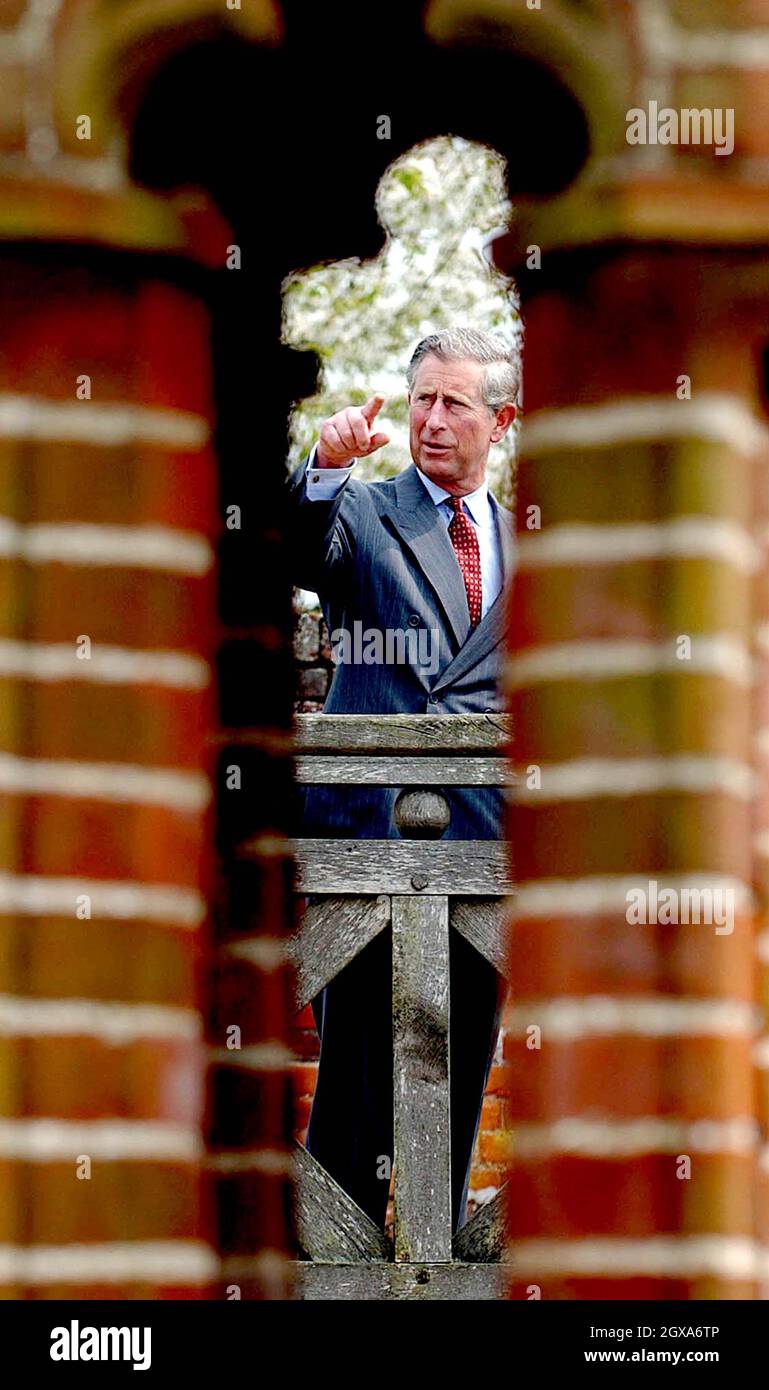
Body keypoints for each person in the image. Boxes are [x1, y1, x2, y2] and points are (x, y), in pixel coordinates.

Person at [286, 326, 518, 1233]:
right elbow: (302, 554)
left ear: (501, 419)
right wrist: (324, 466)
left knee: (455, 1102)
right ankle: (332, 1273)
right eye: (421, 398)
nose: (431, 419)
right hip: (369, 857)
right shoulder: (369, 515)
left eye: (455, 402)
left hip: (483, 858)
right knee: (350, 1103)